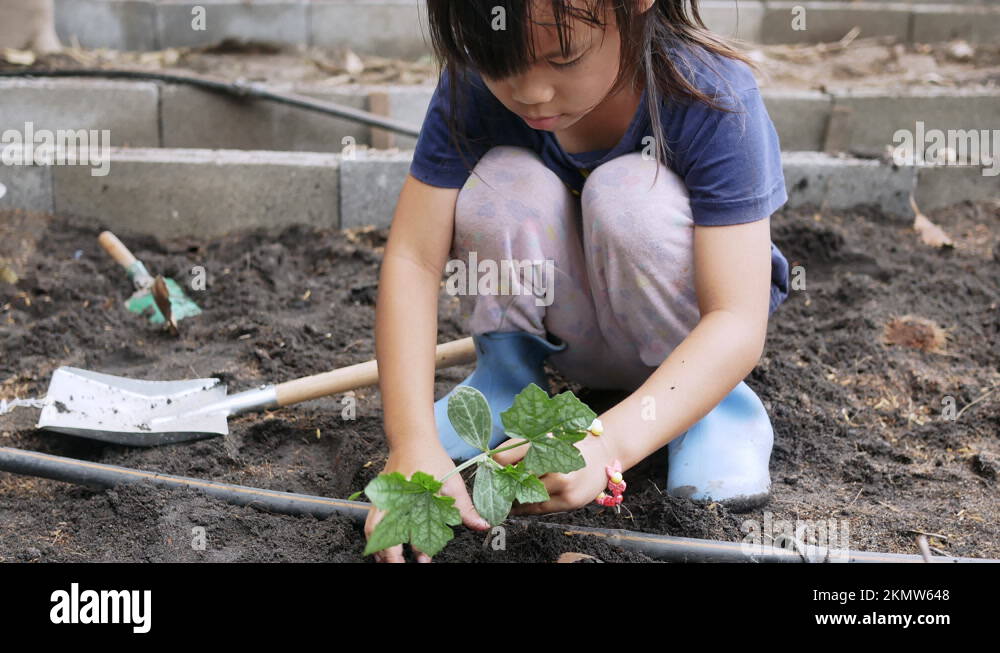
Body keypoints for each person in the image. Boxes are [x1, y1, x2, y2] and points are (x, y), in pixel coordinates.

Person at [365, 0, 791, 562]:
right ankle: (508, 385)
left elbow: (736, 318)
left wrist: (606, 443)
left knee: (628, 196)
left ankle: (713, 414)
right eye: (500, 65)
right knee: (501, 186)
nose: (531, 92)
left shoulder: (709, 97)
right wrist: (411, 438)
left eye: (563, 57)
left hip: (684, 355)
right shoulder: (470, 86)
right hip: (569, 336)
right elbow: (414, 262)